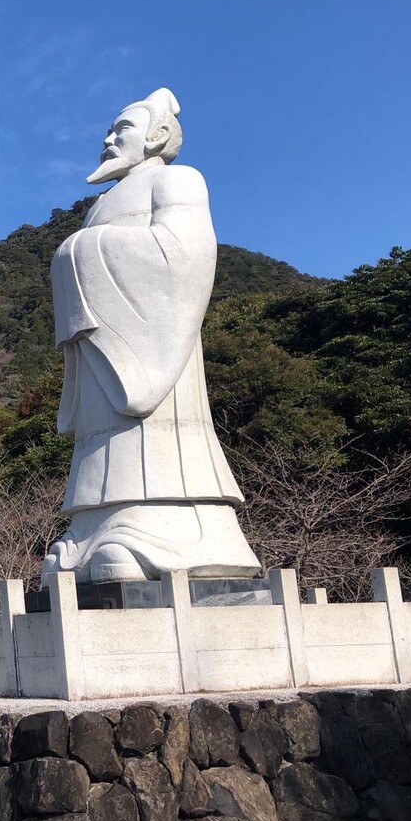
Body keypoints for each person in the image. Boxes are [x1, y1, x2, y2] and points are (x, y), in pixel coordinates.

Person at [42, 88, 260, 584]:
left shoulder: (178, 180)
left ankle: (170, 526)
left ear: (158, 135)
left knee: (158, 437)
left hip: (151, 347)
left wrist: (82, 251)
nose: (107, 138)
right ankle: (94, 524)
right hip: (103, 339)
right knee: (105, 432)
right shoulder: (98, 207)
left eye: (121, 129)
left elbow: (184, 256)